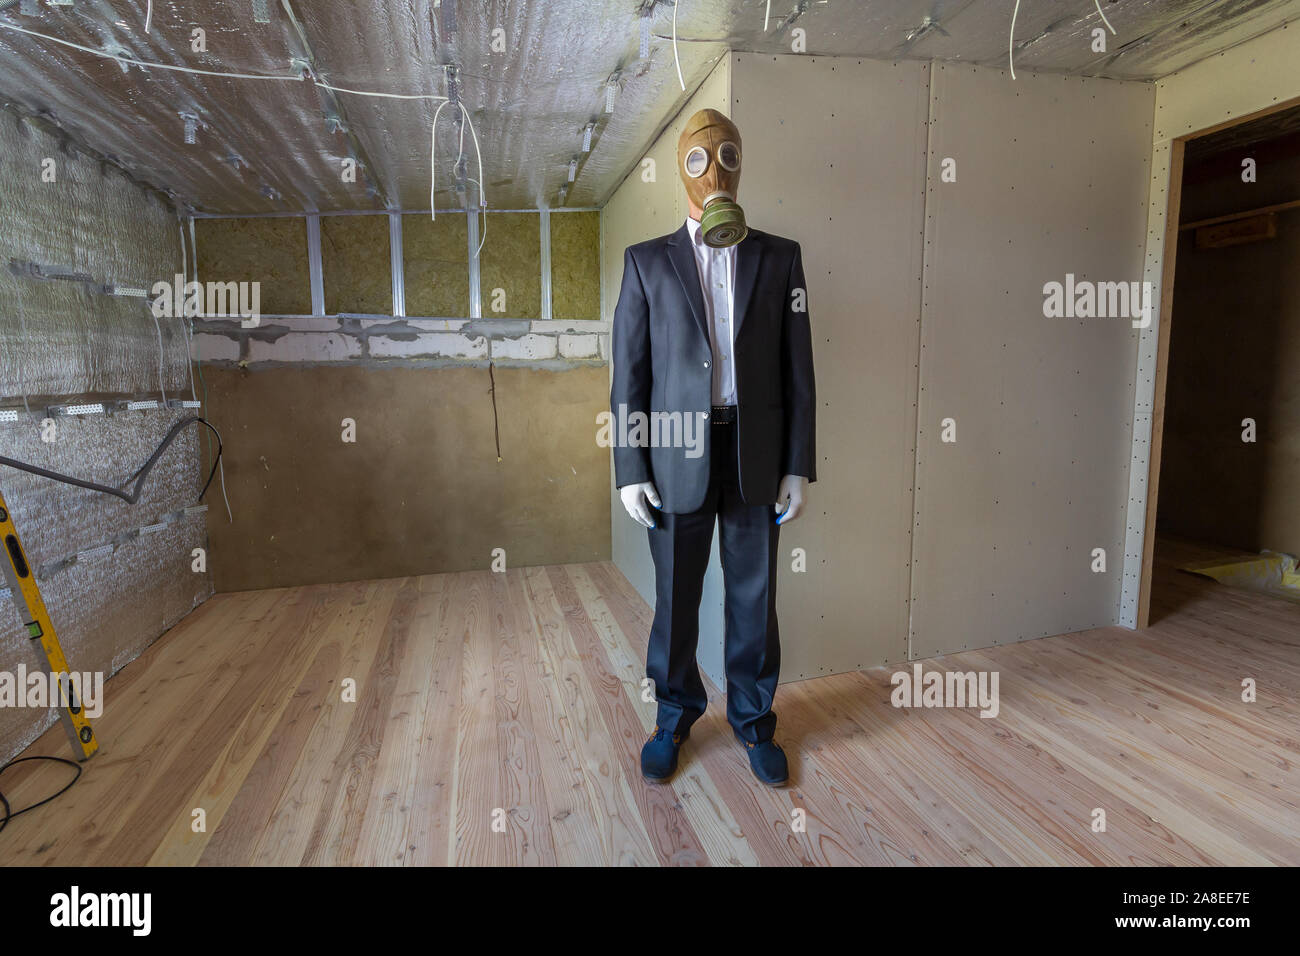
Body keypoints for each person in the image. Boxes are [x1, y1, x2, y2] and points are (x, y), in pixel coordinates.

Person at [609, 108, 817, 788]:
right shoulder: (646, 262)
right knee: (676, 596)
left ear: (740, 162)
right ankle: (673, 718)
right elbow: (629, 375)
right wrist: (631, 467)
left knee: (755, 596)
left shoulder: (780, 257)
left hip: (755, 452)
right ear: (682, 170)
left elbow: (798, 369)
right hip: (674, 456)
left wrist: (797, 464)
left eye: (726, 155)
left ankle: (754, 722)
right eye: (698, 159)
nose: (714, 171)